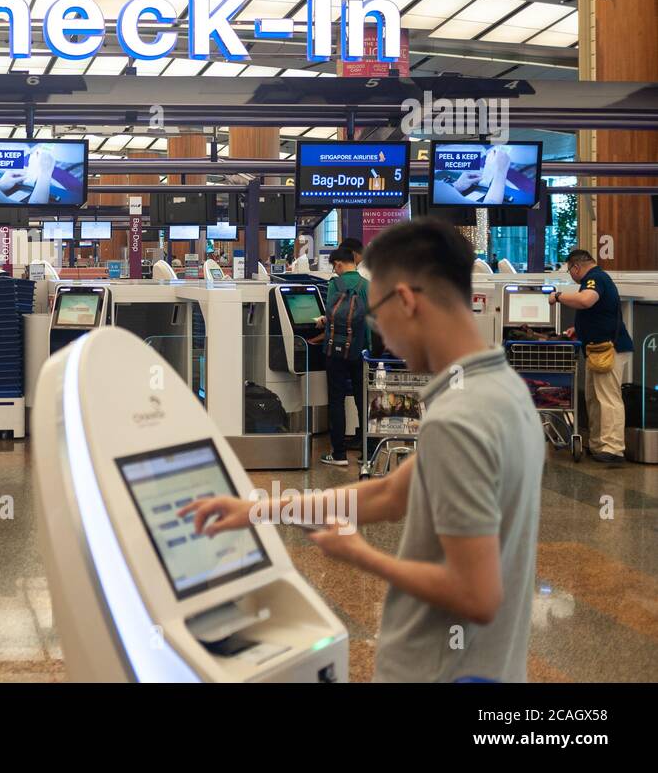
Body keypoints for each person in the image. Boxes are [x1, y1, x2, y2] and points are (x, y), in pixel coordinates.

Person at [182, 218, 543, 682]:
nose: (380, 333)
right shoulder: (505, 389)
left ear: (407, 301)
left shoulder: (460, 419)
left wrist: (360, 555)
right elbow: (390, 495)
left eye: (376, 315)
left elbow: (477, 594)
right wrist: (258, 511)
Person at [553, 250, 633, 464]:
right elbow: (597, 312)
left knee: (608, 399)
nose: (571, 275)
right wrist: (578, 328)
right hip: (597, 349)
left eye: (569, 270)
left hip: (608, 350)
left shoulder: (595, 278)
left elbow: (586, 301)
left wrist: (558, 296)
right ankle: (599, 444)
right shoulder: (597, 278)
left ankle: (613, 448)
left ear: (576, 267)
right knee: (595, 398)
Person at [317, 246, 369, 467]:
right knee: (362, 399)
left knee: (336, 400)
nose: (335, 270)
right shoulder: (367, 285)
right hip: (361, 350)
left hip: (336, 351)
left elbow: (331, 315)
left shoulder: (333, 285)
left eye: (334, 266)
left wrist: (321, 321)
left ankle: (339, 454)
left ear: (339, 263)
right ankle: (367, 453)